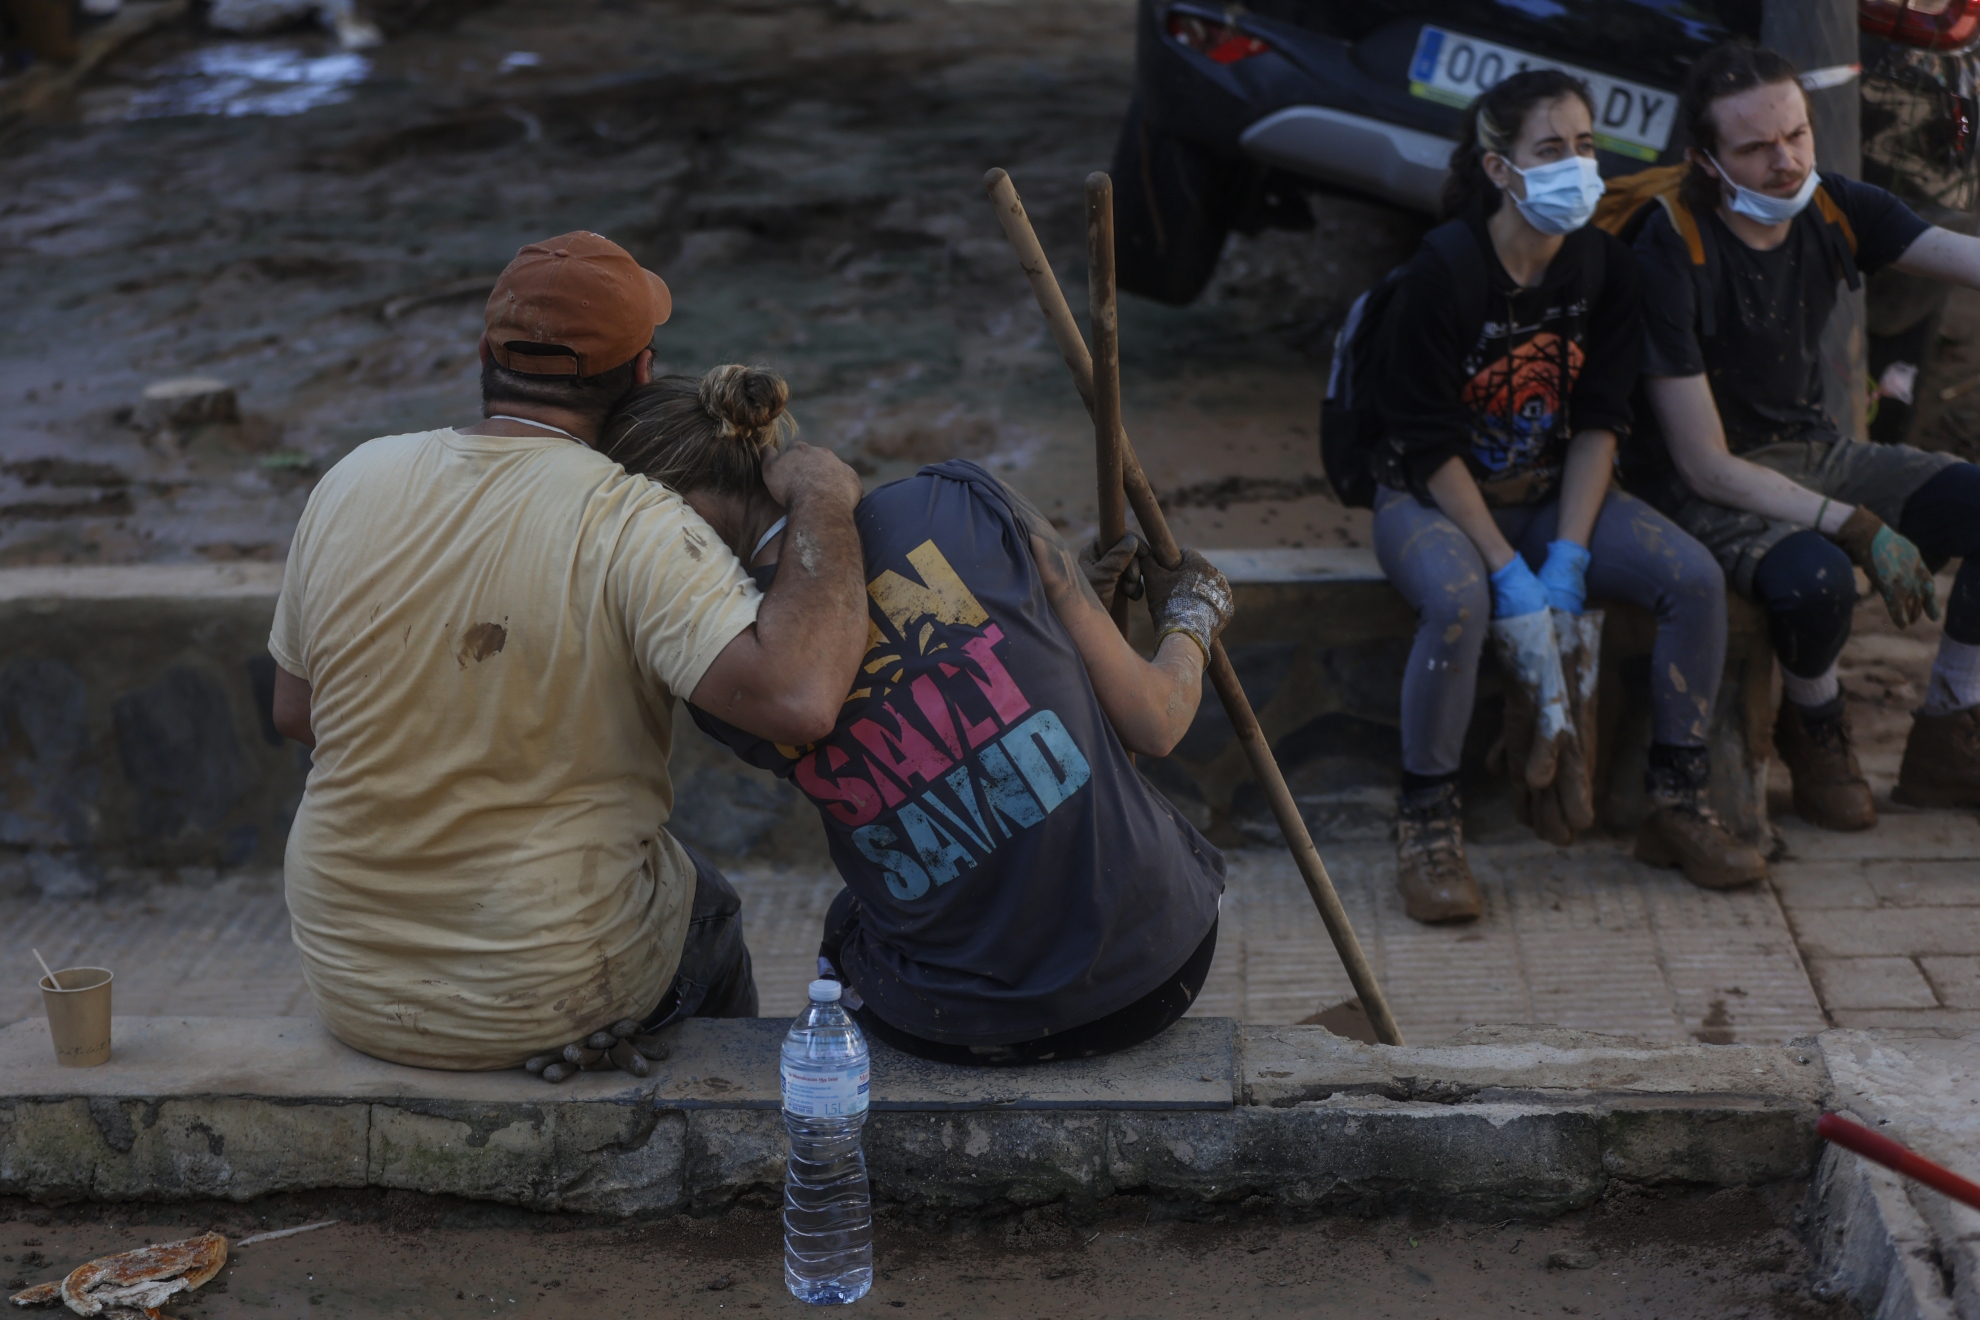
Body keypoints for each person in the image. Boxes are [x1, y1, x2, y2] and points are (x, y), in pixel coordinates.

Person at [266, 233, 869, 1072]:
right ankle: (720, 1116)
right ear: (643, 374)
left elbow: (297, 713)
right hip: (549, 991)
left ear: (485, 354)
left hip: (352, 984)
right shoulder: (633, 522)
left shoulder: (352, 477)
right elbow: (799, 699)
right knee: (709, 907)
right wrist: (826, 501)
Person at [597, 364, 1232, 1065]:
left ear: (674, 514)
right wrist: (1192, 614)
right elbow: (1157, 721)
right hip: (1168, 964)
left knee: (847, 940)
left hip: (966, 1028)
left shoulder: (729, 667)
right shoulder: (961, 499)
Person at [1368, 68, 1761, 922]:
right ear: (1500, 168)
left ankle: (1676, 800)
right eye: (1551, 149)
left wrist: (1571, 557)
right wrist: (1511, 570)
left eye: (1587, 147)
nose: (1577, 165)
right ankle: (1427, 820)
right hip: (1433, 500)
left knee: (1691, 578)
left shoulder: (1604, 268)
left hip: (1553, 492)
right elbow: (1427, 445)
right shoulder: (1443, 273)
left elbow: (1599, 421)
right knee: (1459, 600)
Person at [1635, 41, 1980, 828]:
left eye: (1795, 136)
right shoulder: (1672, 247)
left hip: (1815, 451)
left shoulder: (1833, 204)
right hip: (1702, 484)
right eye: (1755, 148)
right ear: (1706, 159)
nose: (1785, 162)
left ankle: (1949, 730)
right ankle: (1816, 722)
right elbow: (1703, 462)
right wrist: (1857, 526)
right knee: (1821, 577)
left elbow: (1962, 255)